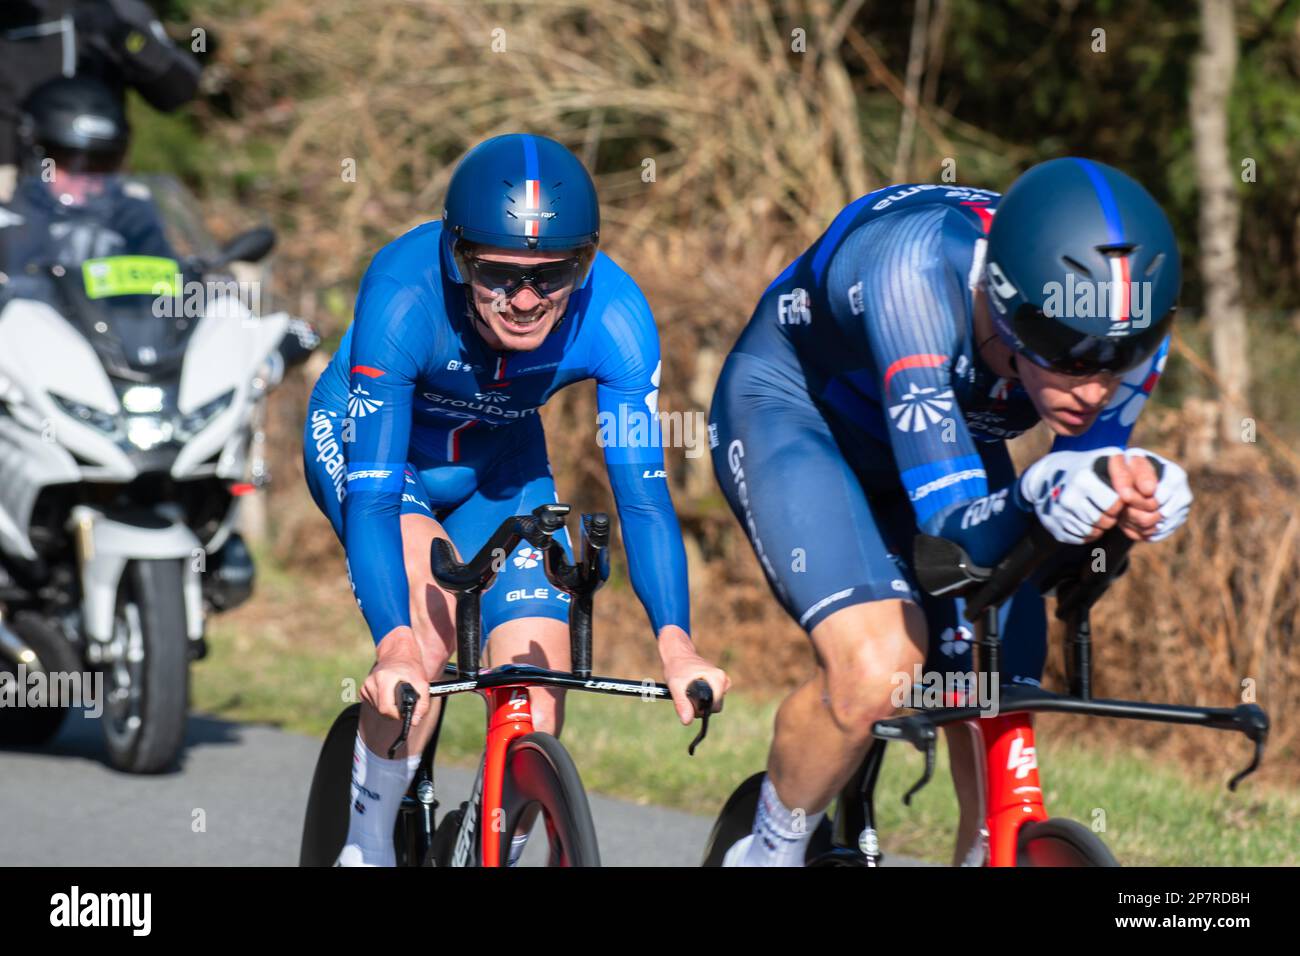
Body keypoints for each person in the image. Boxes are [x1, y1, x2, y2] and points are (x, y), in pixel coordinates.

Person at [708, 158, 1193, 867]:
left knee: (1001, 678)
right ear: (1003, 299)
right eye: (1064, 350)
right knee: (880, 665)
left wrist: (1126, 504)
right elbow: (950, 536)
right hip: (799, 416)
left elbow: (1066, 530)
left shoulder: (1123, 315)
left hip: (948, 432)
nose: (1093, 387)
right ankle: (769, 850)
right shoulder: (913, 274)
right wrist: (1038, 493)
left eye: (1119, 357)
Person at [302, 133, 730, 867]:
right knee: (428, 633)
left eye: (552, 275)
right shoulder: (402, 291)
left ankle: (490, 843)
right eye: (498, 276)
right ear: (457, 255)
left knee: (541, 673)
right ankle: (365, 847)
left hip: (501, 466)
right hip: (383, 457)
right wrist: (394, 645)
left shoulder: (617, 317)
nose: (527, 300)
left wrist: (676, 641)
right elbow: (372, 501)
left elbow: (646, 498)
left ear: (584, 262)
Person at [0, 0, 201, 201]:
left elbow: (179, 93)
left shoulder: (121, 8)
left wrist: (125, 35)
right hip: (10, 176)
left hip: (96, 183)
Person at [0, 75, 173, 278]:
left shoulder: (131, 221)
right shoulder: (6, 225)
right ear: (34, 157)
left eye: (102, 166)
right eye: (67, 163)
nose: (85, 182)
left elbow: (174, 288)